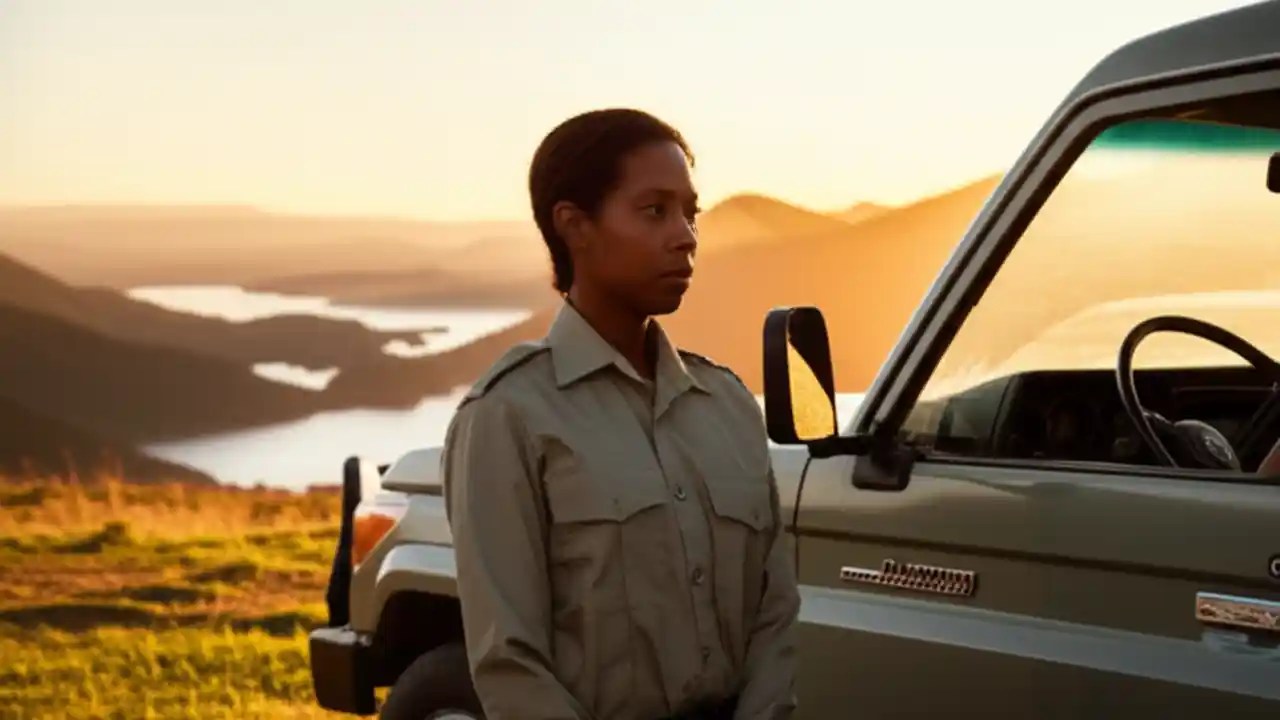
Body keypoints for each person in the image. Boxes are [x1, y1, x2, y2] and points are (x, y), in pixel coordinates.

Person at [441, 108, 800, 720]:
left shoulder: (729, 405)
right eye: (655, 211)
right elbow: (512, 665)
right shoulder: (509, 417)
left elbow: (775, 612)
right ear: (575, 226)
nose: (685, 235)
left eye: (691, 213)